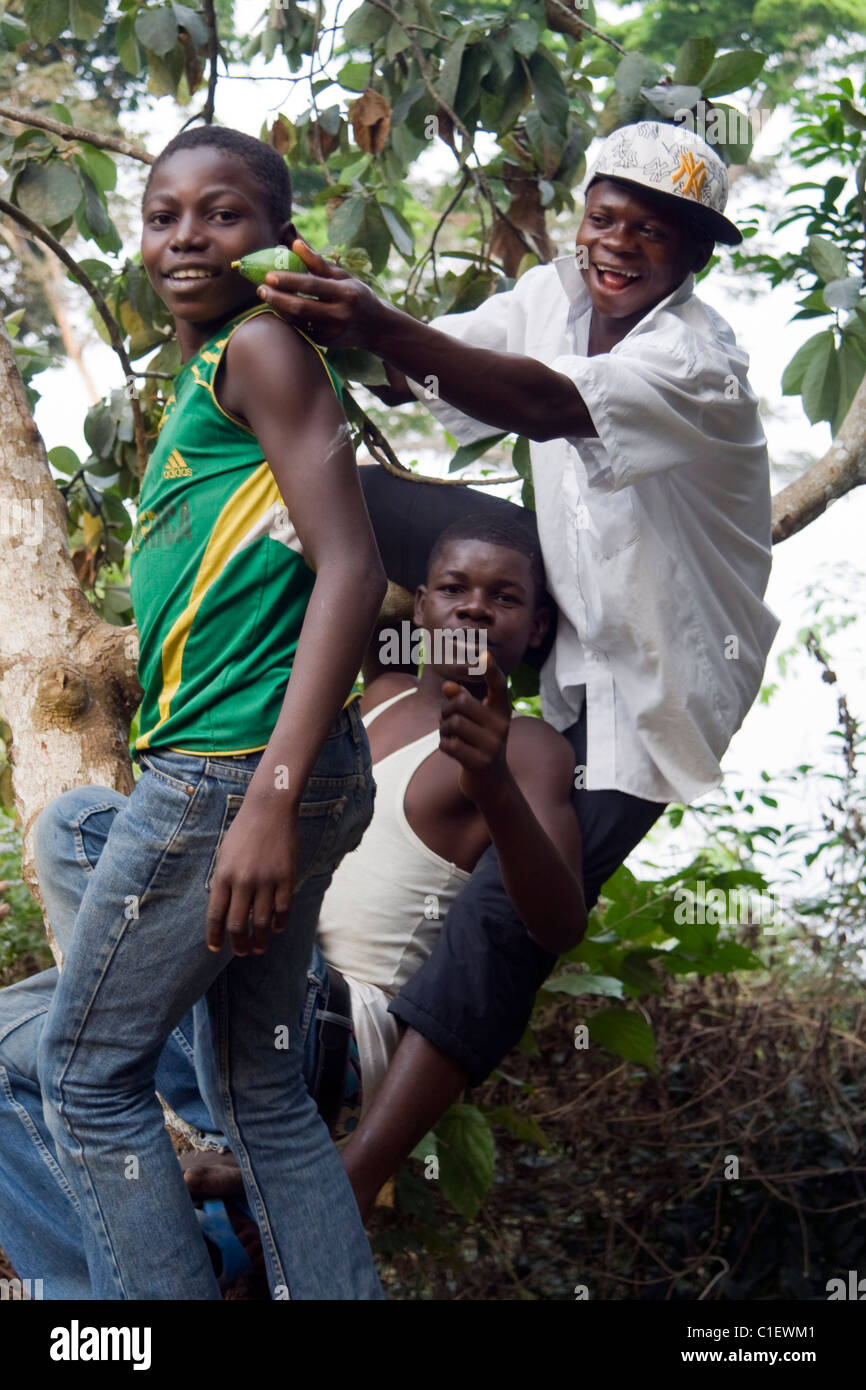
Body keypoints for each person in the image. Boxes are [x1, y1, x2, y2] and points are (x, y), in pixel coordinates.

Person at [256, 119, 781, 1209]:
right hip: (556, 597)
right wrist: (342, 318)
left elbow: (537, 400)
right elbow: (436, 364)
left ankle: (357, 1173)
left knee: (513, 913)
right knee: (316, 500)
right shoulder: (548, 295)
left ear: (692, 256)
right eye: (605, 215)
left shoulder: (697, 358)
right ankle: (291, 670)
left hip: (650, 681)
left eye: (655, 230)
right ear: (581, 213)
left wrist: (389, 325)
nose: (618, 242)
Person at [0, 516, 585, 1293]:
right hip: (243, 969)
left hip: (324, 1028)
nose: (474, 609)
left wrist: (497, 792)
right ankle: (143, 1275)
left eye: (504, 596)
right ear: (419, 611)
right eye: (454, 588)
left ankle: (202, 1105)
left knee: (79, 824)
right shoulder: (366, 702)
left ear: (537, 625)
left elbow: (556, 925)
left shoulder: (532, 748)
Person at [18, 124, 387, 1301]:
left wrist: (271, 803)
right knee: (264, 1093)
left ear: (277, 234)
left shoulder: (261, 351)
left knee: (84, 1077)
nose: (185, 236)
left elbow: (352, 568)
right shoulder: (205, 375)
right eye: (163, 214)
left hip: (236, 773)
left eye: (220, 212)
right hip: (267, 769)